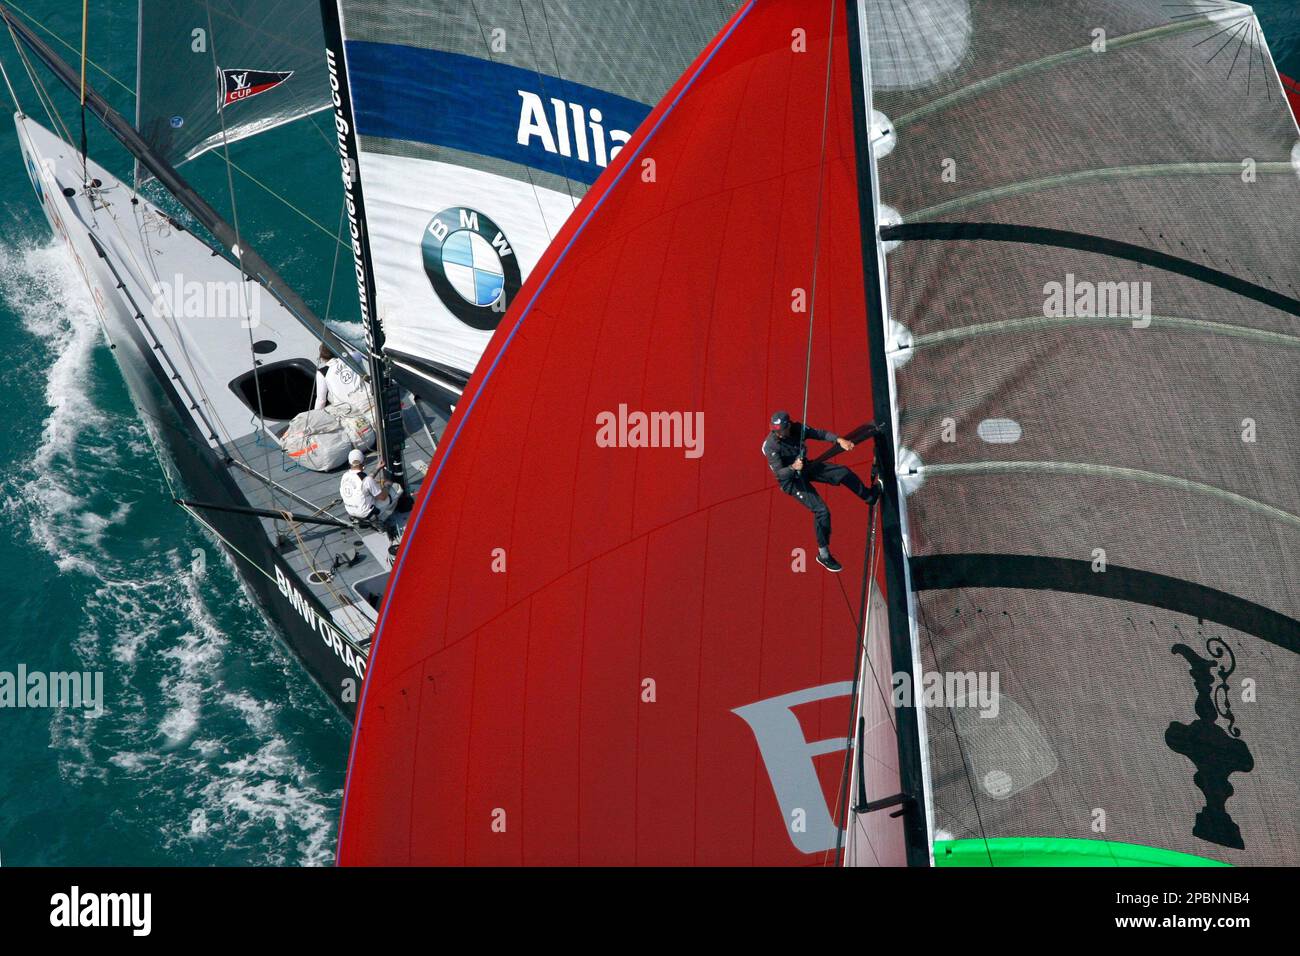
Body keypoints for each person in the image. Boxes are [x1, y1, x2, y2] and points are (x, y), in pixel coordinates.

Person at [763, 410, 882, 572]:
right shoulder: (771, 445)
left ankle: (869, 496)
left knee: (843, 472)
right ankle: (824, 555)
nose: (777, 433)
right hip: (791, 482)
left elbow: (819, 434)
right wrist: (792, 467)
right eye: (775, 430)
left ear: (788, 426)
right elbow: (779, 473)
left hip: (805, 468)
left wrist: (839, 440)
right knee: (822, 511)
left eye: (780, 429)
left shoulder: (797, 429)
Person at [340, 448, 402, 534]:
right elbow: (383, 497)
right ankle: (378, 520)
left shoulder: (345, 476)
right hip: (366, 514)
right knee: (397, 488)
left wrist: (377, 469)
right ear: (363, 462)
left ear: (350, 463)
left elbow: (365, 480)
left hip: (351, 512)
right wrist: (386, 485)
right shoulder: (366, 480)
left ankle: (359, 519)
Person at [314, 344, 369, 412]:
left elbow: (321, 401)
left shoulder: (322, 373)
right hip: (367, 399)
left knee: (330, 397)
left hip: (348, 410)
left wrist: (316, 414)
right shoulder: (353, 357)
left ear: (322, 358)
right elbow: (355, 350)